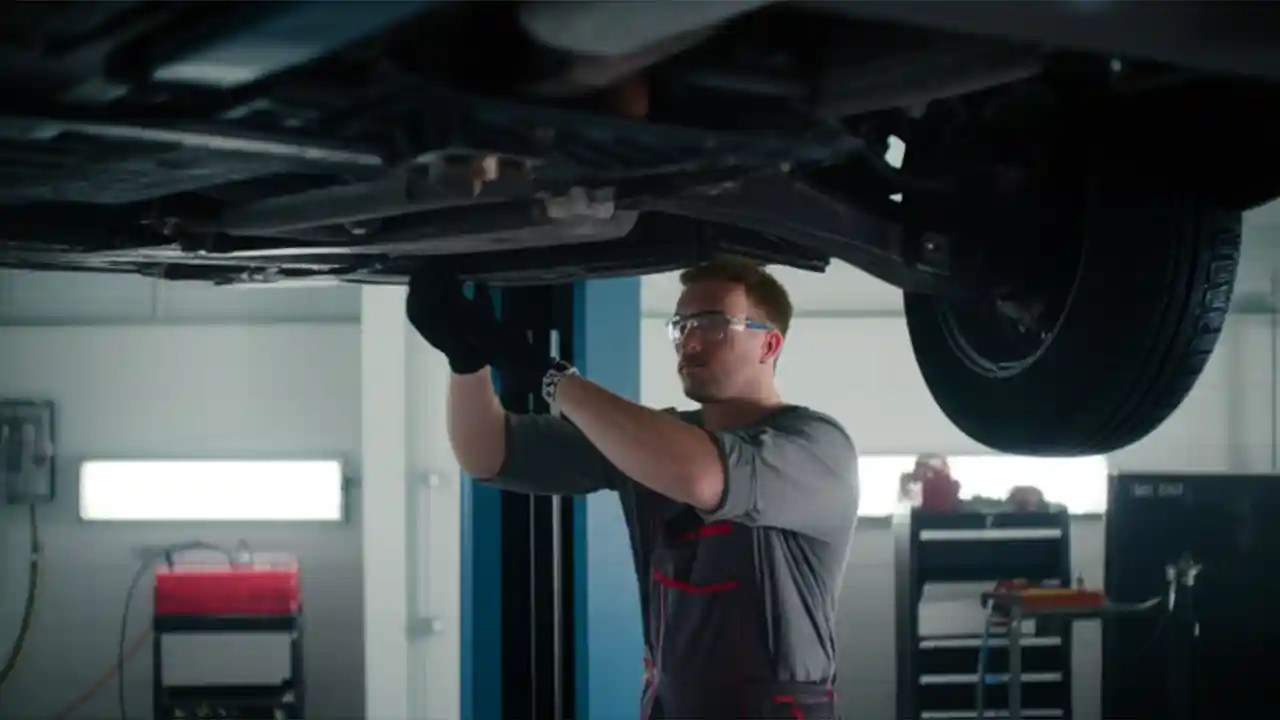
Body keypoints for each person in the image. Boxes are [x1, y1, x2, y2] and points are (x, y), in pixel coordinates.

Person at [406, 256, 859, 719]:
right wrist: (467, 361)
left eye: (712, 324)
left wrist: (551, 378)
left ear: (769, 344)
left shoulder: (814, 445)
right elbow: (487, 453)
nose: (689, 339)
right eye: (680, 325)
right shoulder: (651, 441)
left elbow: (703, 477)